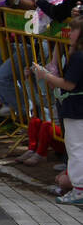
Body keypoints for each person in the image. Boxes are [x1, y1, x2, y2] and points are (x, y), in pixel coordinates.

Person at [30, 15, 83, 204]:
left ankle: (79, 189)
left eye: (74, 29)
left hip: (76, 109)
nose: (70, 33)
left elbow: (69, 85)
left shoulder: (78, 57)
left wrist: (45, 76)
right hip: (77, 107)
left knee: (76, 147)